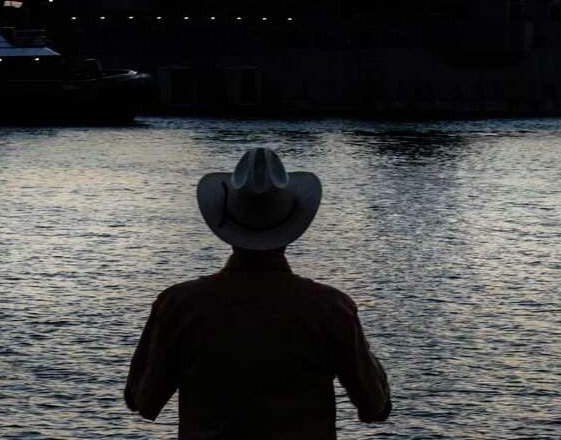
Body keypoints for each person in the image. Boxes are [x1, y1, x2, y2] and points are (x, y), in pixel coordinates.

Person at [125, 148, 391, 439]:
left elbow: (143, 402)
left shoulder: (178, 304)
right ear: (292, 222)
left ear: (227, 218)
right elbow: (375, 408)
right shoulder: (332, 308)